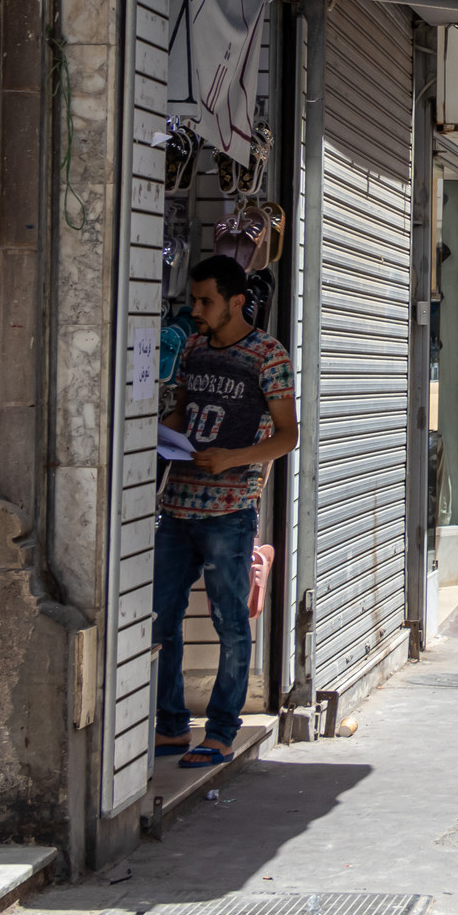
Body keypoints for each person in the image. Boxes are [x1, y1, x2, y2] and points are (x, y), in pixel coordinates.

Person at [153, 255, 297, 769]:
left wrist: (230, 459)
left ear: (237, 301)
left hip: (229, 510)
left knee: (231, 623)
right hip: (177, 504)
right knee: (157, 617)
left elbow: (288, 435)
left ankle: (220, 732)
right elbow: (183, 409)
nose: (196, 309)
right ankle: (170, 727)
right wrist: (161, 432)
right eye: (193, 299)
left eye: (206, 300)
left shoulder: (267, 355)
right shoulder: (190, 346)